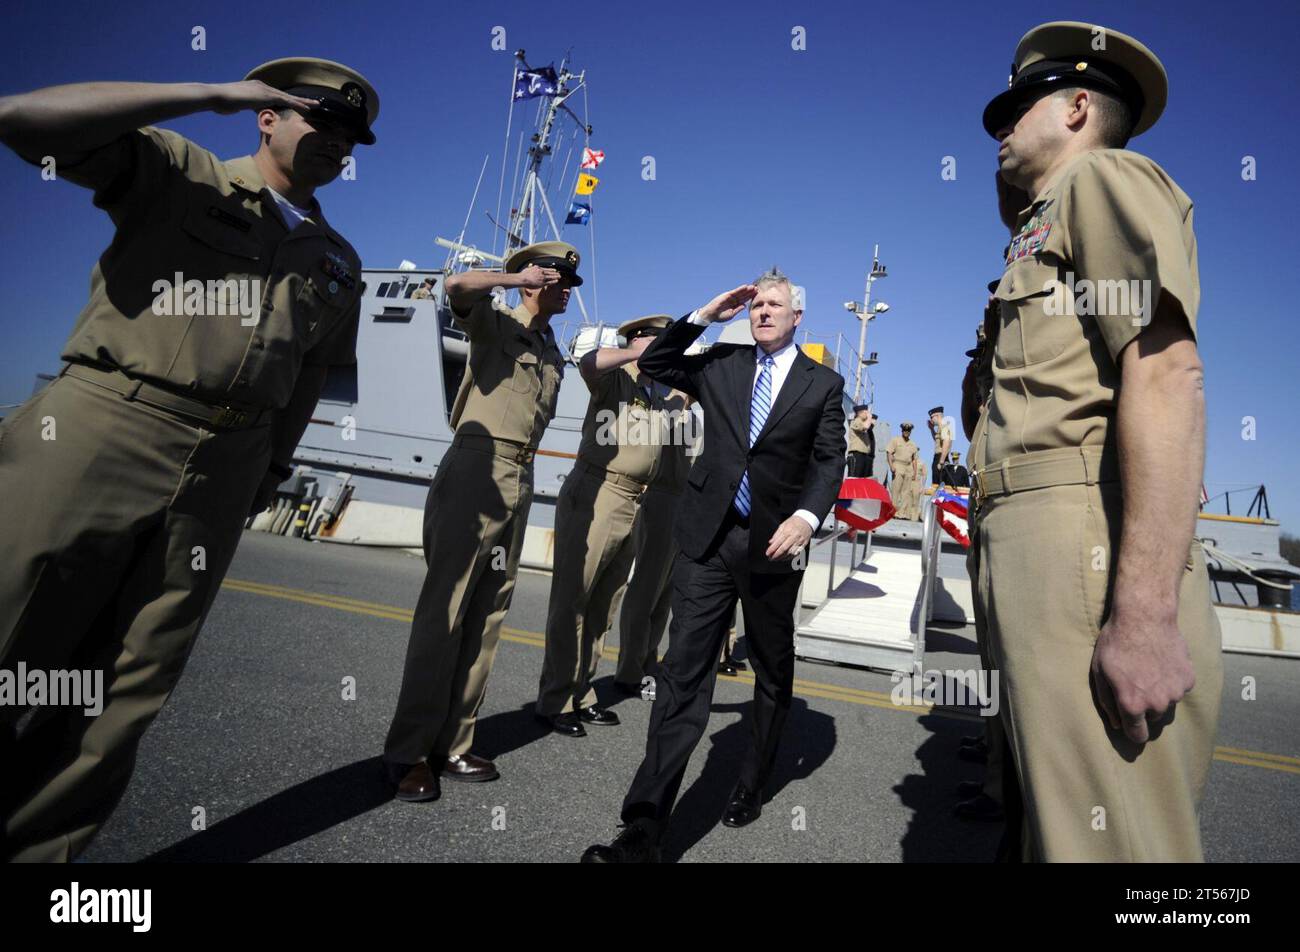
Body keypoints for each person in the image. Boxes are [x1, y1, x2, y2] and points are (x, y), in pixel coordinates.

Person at [0, 57, 378, 861]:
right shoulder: (181, 171)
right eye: (316, 117)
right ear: (266, 116)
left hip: (231, 462)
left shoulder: (338, 262)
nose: (334, 139)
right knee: (11, 635)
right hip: (107, 424)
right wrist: (208, 94)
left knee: (126, 690)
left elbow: (311, 375)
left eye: (350, 134)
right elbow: (22, 121)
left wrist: (269, 471)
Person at [974, 20, 1222, 860]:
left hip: (1078, 534)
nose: (999, 126)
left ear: (1080, 105)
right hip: (1029, 533)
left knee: (1116, 851)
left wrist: (1145, 616)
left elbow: (1164, 370)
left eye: (1018, 105)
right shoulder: (1041, 223)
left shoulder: (1104, 181)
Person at [581, 268, 845, 862]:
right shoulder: (723, 362)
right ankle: (643, 829)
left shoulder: (823, 383)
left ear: (797, 316)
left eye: (775, 304)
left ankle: (752, 783)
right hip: (707, 540)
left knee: (773, 670)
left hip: (776, 544)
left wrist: (806, 518)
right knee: (682, 675)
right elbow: (657, 365)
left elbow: (830, 461)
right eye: (756, 305)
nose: (764, 312)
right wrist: (706, 312)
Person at [383, 241, 579, 801]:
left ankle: (455, 743)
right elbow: (456, 288)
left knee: (487, 613)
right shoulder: (497, 322)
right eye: (558, 278)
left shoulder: (548, 348)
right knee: (446, 611)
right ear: (533, 279)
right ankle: (408, 752)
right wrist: (513, 280)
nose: (566, 289)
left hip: (519, 476)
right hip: (476, 467)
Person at [535, 315, 690, 736]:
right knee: (573, 600)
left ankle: (582, 692)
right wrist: (634, 354)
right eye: (661, 343)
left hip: (636, 501)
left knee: (604, 604)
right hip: (598, 492)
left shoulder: (660, 395)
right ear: (640, 342)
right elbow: (588, 363)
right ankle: (555, 699)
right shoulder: (618, 380)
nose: (668, 350)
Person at [613, 398, 698, 696]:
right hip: (661, 498)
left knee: (665, 593)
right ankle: (629, 669)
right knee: (647, 588)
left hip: (684, 502)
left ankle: (648, 658)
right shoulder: (665, 410)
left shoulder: (693, 418)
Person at [886, 422, 921, 520]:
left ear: (910, 432)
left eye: (908, 431)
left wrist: (914, 472)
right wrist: (891, 465)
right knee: (896, 490)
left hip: (908, 467)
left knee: (906, 492)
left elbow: (914, 459)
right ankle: (893, 512)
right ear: (902, 430)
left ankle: (902, 513)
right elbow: (889, 452)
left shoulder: (912, 444)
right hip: (898, 465)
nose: (906, 432)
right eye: (905, 430)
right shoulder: (895, 440)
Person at [926, 406, 952, 490]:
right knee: (936, 485)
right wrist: (931, 429)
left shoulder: (944, 426)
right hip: (939, 457)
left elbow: (946, 442)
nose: (931, 420)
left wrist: (941, 461)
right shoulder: (940, 427)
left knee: (940, 486)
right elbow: (937, 440)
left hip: (941, 457)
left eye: (932, 417)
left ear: (937, 416)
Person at [846, 404, 875, 477]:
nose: (867, 414)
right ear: (860, 413)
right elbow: (866, 426)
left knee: (862, 479)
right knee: (855, 478)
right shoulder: (856, 421)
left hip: (863, 455)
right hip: (856, 455)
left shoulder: (862, 423)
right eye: (866, 412)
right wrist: (869, 417)